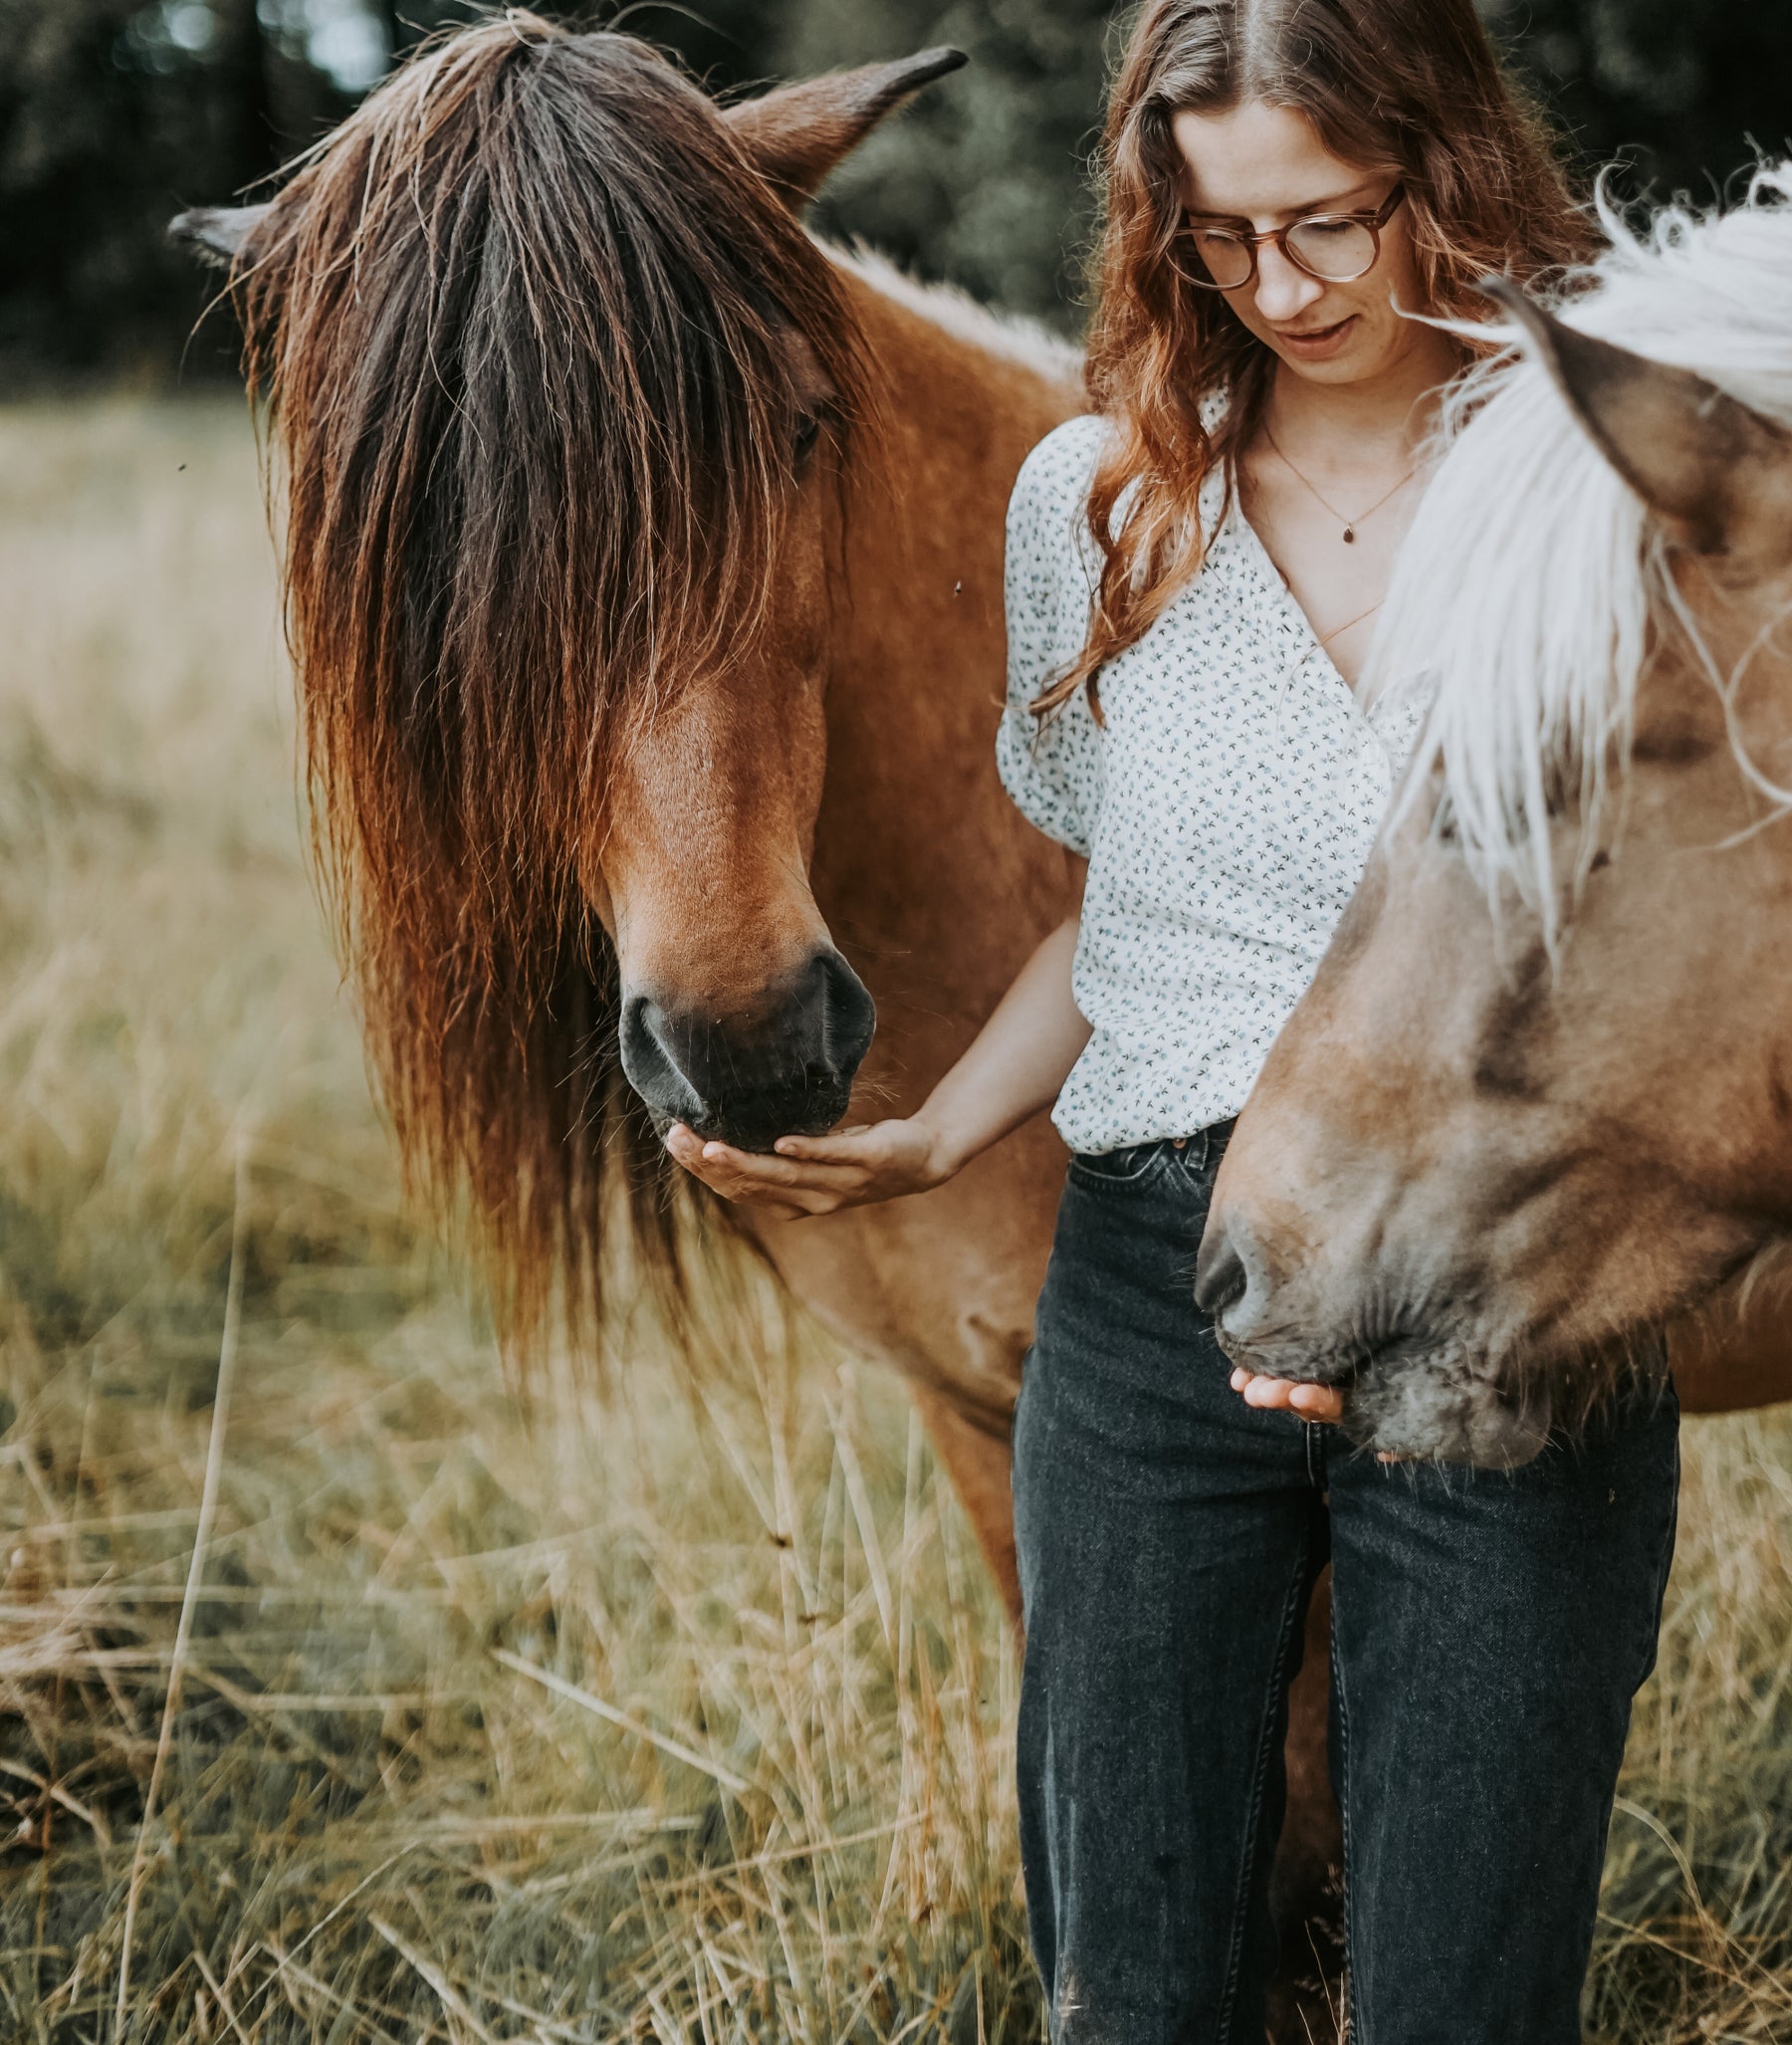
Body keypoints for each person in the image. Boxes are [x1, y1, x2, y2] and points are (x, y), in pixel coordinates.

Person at [667, 2, 1680, 2037]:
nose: (1279, 288)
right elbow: (1121, 905)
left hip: (1491, 1285)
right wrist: (945, 1130)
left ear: (1448, 172)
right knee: (1128, 1989)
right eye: (1219, 237)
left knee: (1459, 1996)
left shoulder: (1603, 484)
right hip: (1144, 1300)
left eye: (1328, 220)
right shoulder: (1100, 505)